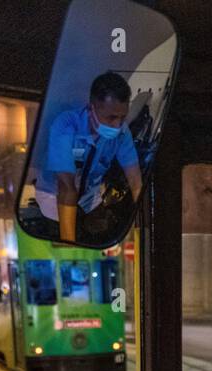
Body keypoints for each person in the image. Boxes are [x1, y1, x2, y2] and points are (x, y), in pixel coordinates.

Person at [36, 71, 143, 242]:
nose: (117, 125)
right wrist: (69, 242)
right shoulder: (65, 125)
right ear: (92, 108)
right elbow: (66, 187)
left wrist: (141, 229)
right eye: (111, 118)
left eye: (122, 118)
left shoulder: (122, 133)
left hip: (89, 198)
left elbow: (135, 181)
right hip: (54, 197)